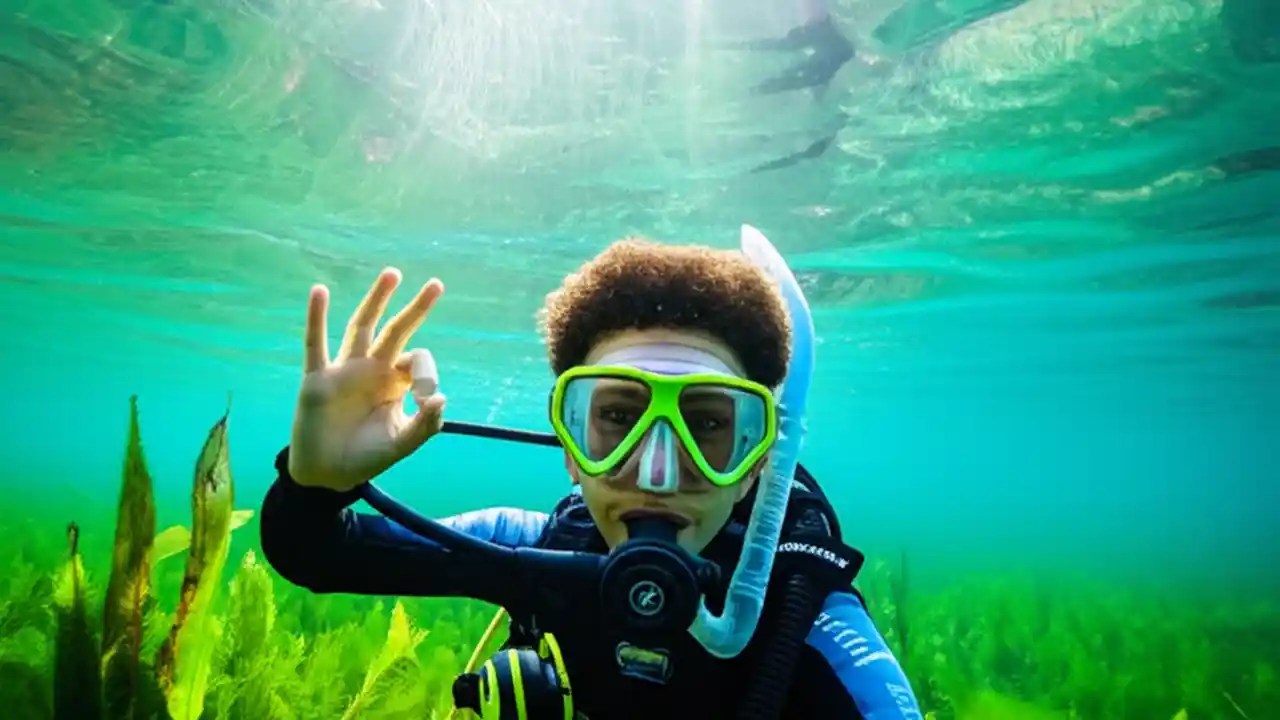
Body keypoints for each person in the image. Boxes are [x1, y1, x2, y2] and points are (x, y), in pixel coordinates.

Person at [259, 228, 923, 719]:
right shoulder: (543, 548)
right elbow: (318, 552)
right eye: (617, 417)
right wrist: (315, 486)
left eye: (711, 426)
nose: (658, 474)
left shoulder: (799, 614)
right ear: (572, 446)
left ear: (760, 463)